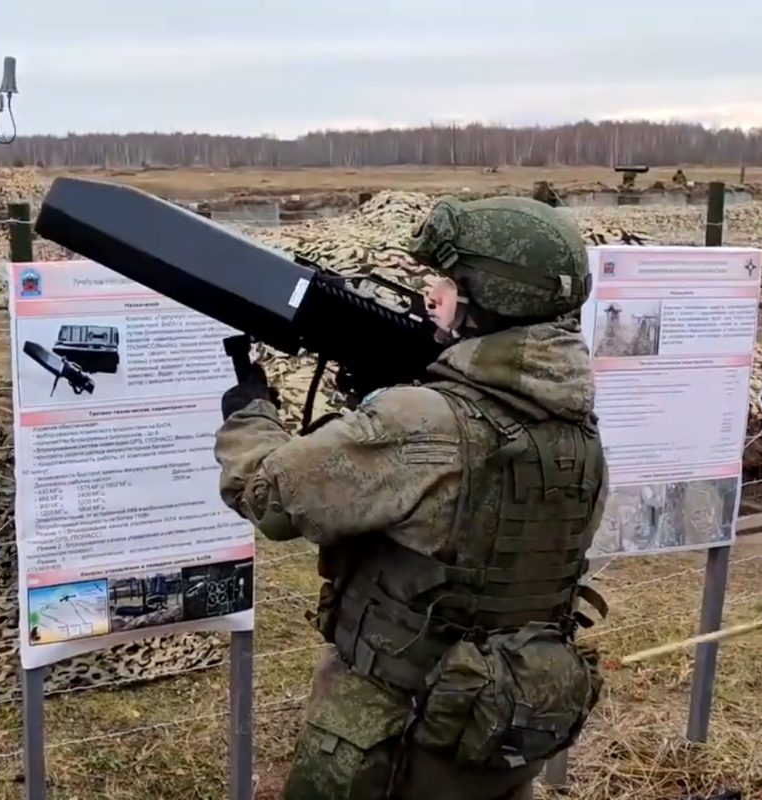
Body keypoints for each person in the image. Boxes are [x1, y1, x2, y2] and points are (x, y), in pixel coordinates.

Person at [214, 196, 610, 800]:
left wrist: (250, 414)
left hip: (390, 733)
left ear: (490, 297)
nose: (432, 293)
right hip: (496, 727)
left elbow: (269, 495)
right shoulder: (578, 429)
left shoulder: (421, 421)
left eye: (448, 282)